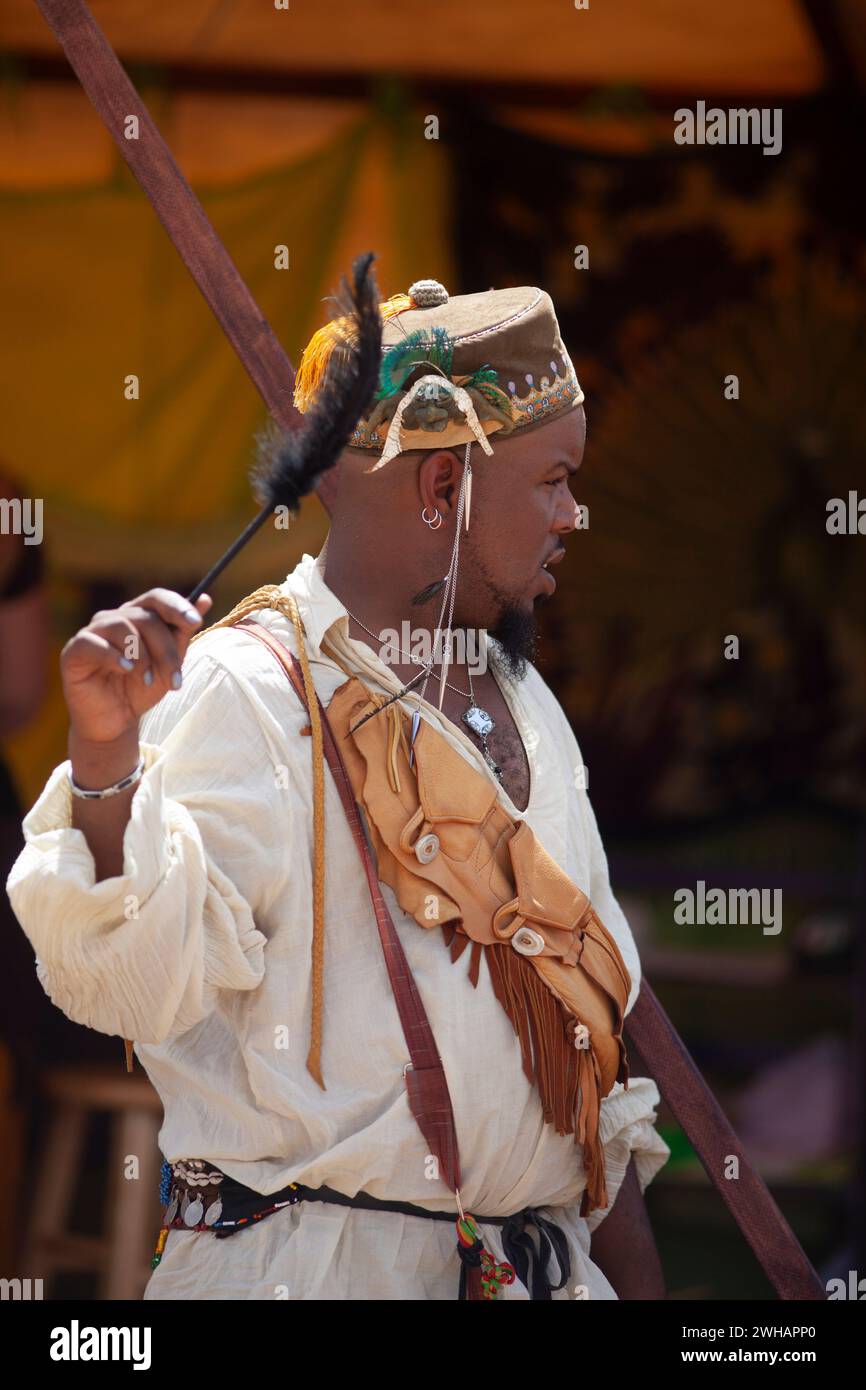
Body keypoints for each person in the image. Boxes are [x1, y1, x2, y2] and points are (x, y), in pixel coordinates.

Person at [7, 278, 670, 1300]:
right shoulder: (248, 693)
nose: (573, 515)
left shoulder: (528, 703)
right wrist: (103, 766)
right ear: (442, 490)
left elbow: (588, 1087)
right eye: (552, 479)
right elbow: (133, 986)